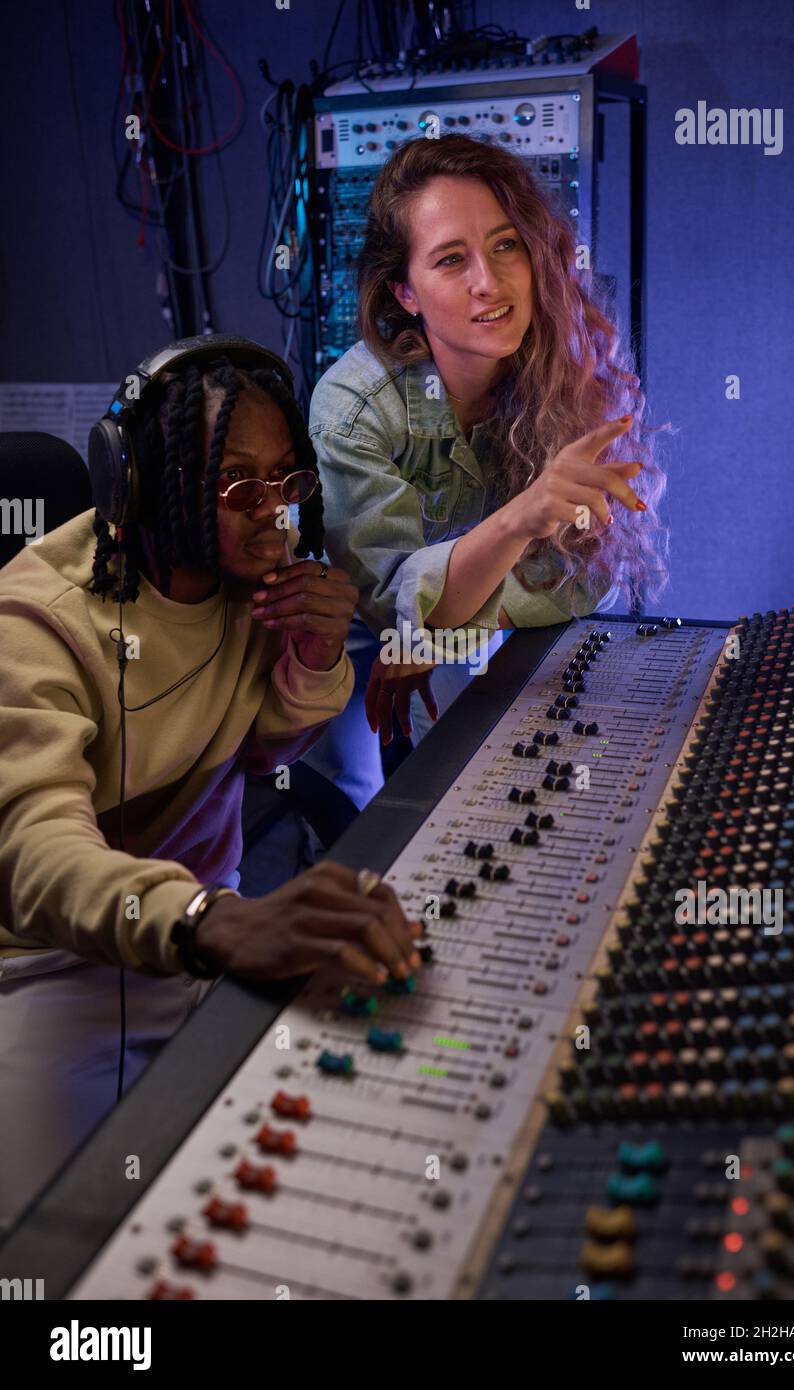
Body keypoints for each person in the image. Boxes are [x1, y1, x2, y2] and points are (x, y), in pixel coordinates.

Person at [0, 342, 419, 1232]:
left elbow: (267, 751)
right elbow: (36, 853)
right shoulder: (33, 619)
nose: (273, 516)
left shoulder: (248, 587)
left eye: (284, 481)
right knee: (52, 1248)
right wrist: (211, 919)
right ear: (141, 485)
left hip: (205, 933)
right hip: (42, 972)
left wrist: (309, 656)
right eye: (236, 486)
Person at [303, 133, 667, 812]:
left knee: (480, 778)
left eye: (505, 245)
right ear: (406, 294)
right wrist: (522, 519)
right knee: (351, 798)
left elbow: (582, 583)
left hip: (464, 610)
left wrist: (451, 621)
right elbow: (392, 605)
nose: (488, 281)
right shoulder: (352, 406)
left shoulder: (567, 373)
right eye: (450, 259)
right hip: (346, 621)